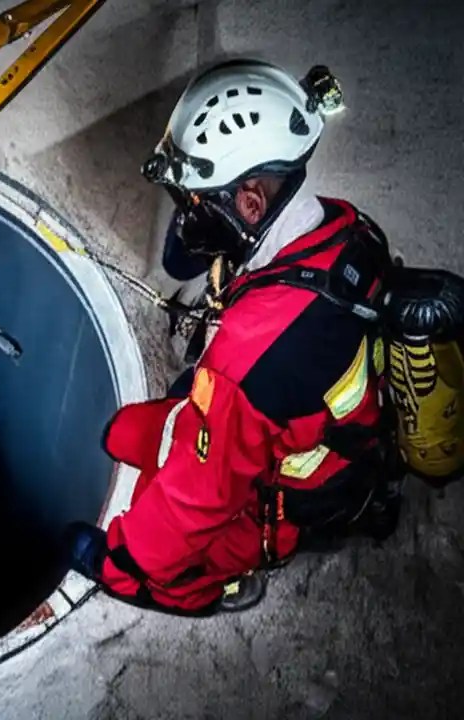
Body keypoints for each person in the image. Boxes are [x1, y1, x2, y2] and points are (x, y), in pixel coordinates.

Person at [64, 59, 400, 615]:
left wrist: (118, 567)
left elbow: (199, 500)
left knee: (168, 550)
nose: (187, 217)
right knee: (126, 432)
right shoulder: (342, 228)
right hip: (308, 427)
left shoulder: (247, 354)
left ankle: (208, 590)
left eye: (197, 202)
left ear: (250, 203)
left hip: (281, 498)